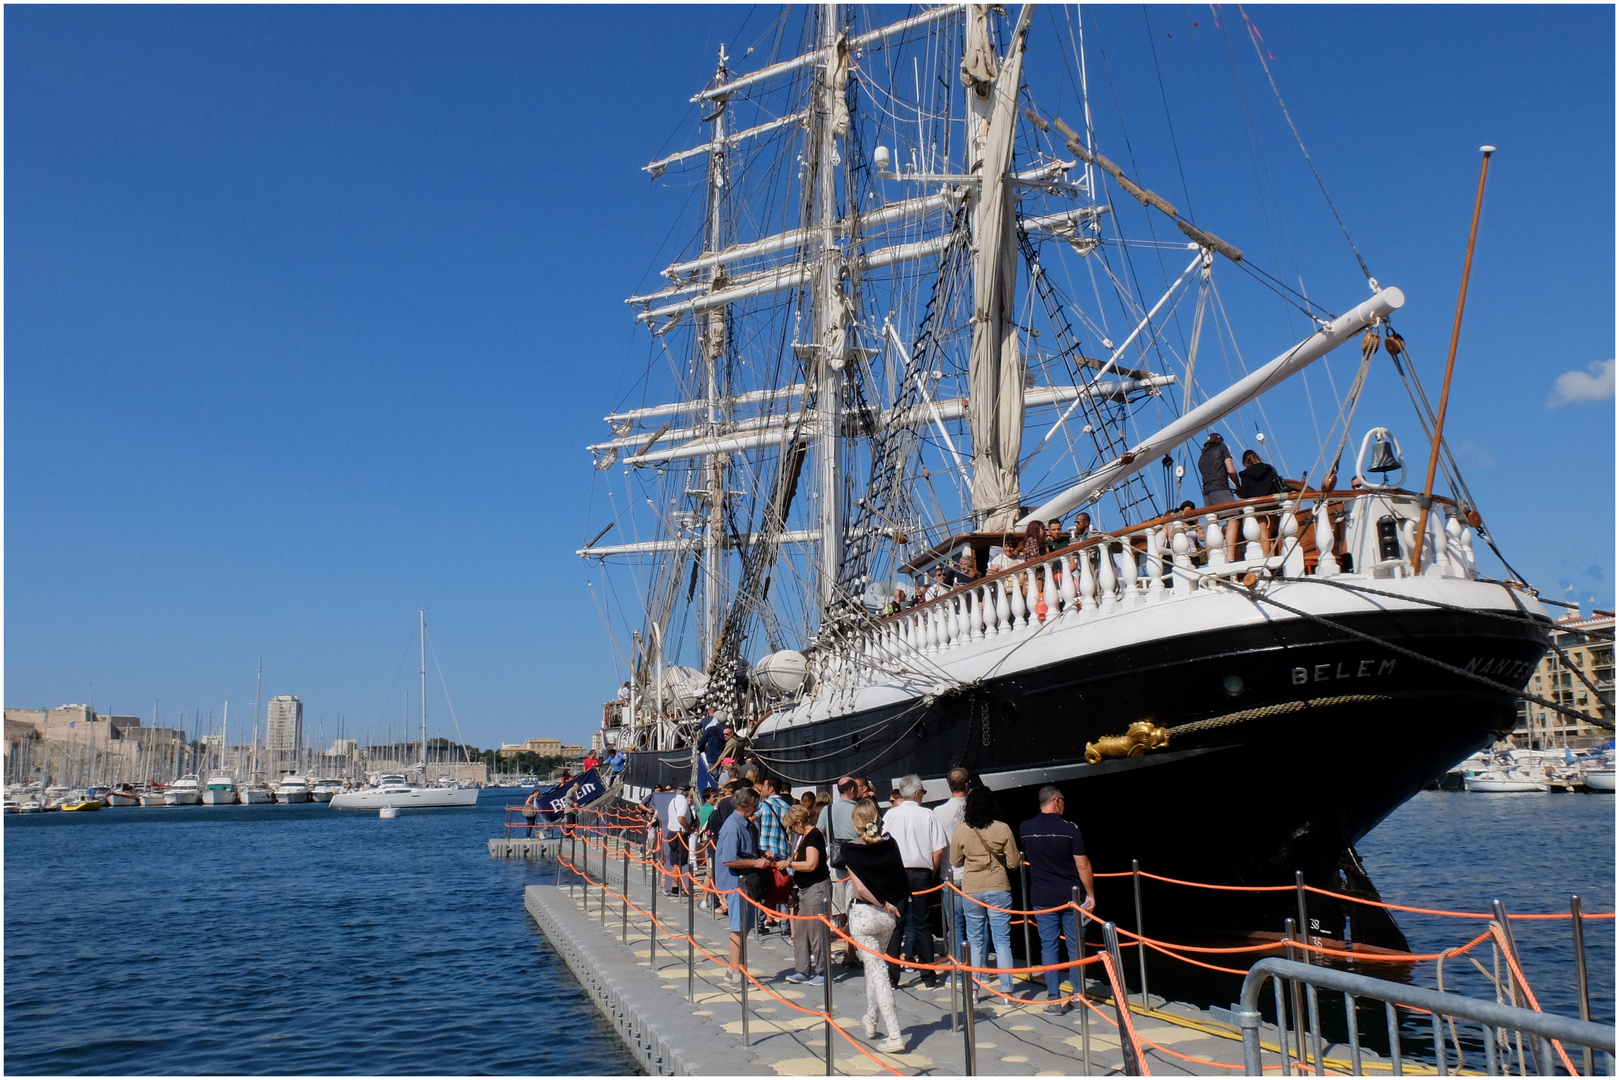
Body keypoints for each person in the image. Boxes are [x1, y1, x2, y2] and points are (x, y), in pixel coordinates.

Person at [833, 798, 911, 1054]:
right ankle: (871, 1019)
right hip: (888, 917)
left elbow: (861, 888)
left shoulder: (851, 851)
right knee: (874, 968)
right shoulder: (890, 844)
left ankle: (895, 1034)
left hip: (865, 915)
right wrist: (892, 905)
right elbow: (900, 876)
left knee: (877, 973)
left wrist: (880, 902)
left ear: (856, 824)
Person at [1019, 785, 1097, 1015]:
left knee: (1048, 946)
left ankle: (1053, 998)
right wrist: (1090, 894)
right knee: (1075, 947)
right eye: (1062, 800)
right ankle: (1077, 995)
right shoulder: (1070, 829)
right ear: (1056, 801)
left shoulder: (1025, 828)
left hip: (1042, 895)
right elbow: (1082, 864)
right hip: (1070, 896)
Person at [951, 785, 1021, 1000]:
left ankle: (974, 989)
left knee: (975, 939)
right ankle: (1007, 991)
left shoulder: (962, 829)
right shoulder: (1003, 828)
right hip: (998, 886)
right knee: (1002, 941)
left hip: (972, 887)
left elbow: (955, 860)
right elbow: (1013, 863)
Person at [881, 774, 949, 988]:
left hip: (896, 873)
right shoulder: (928, 815)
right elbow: (938, 850)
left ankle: (892, 977)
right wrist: (930, 872)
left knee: (895, 925)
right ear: (917, 793)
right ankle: (928, 976)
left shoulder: (891, 816)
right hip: (921, 873)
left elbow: (882, 844)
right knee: (923, 925)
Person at [715, 787, 772, 988]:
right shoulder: (733, 826)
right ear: (746, 804)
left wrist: (761, 856)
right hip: (737, 883)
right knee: (738, 929)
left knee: (745, 927)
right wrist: (755, 863)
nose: (756, 809)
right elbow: (729, 860)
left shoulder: (744, 824)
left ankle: (733, 968)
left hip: (745, 883)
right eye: (755, 805)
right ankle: (736, 973)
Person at [778, 804, 829, 985]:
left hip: (816, 888)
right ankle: (802, 969)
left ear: (799, 822)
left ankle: (823, 970)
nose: (791, 830)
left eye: (792, 826)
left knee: (816, 931)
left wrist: (789, 863)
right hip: (802, 888)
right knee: (800, 931)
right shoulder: (801, 838)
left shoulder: (814, 836)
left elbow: (811, 864)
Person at [817, 777, 861, 966]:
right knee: (854, 909)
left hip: (833, 864)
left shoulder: (827, 810)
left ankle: (830, 952)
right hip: (855, 866)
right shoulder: (858, 810)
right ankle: (849, 952)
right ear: (852, 789)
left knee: (839, 911)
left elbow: (819, 833)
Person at [932, 767, 971, 962]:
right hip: (974, 875)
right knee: (977, 923)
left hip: (949, 873)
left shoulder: (938, 812)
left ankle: (957, 964)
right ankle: (979, 966)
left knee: (954, 924)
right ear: (967, 785)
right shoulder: (975, 808)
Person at [1238, 448, 1288, 556]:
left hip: (1258, 506)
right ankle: (1272, 556)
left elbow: (1245, 493)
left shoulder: (1245, 474)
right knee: (1268, 533)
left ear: (1245, 461)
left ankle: (1266, 559)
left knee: (1263, 532)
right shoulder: (1269, 468)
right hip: (1272, 504)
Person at [1198, 431, 1238, 506]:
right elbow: (1231, 471)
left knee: (1213, 517)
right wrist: (1238, 486)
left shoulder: (1201, 458)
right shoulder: (1222, 447)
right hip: (1221, 490)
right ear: (1219, 440)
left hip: (1207, 495)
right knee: (1232, 516)